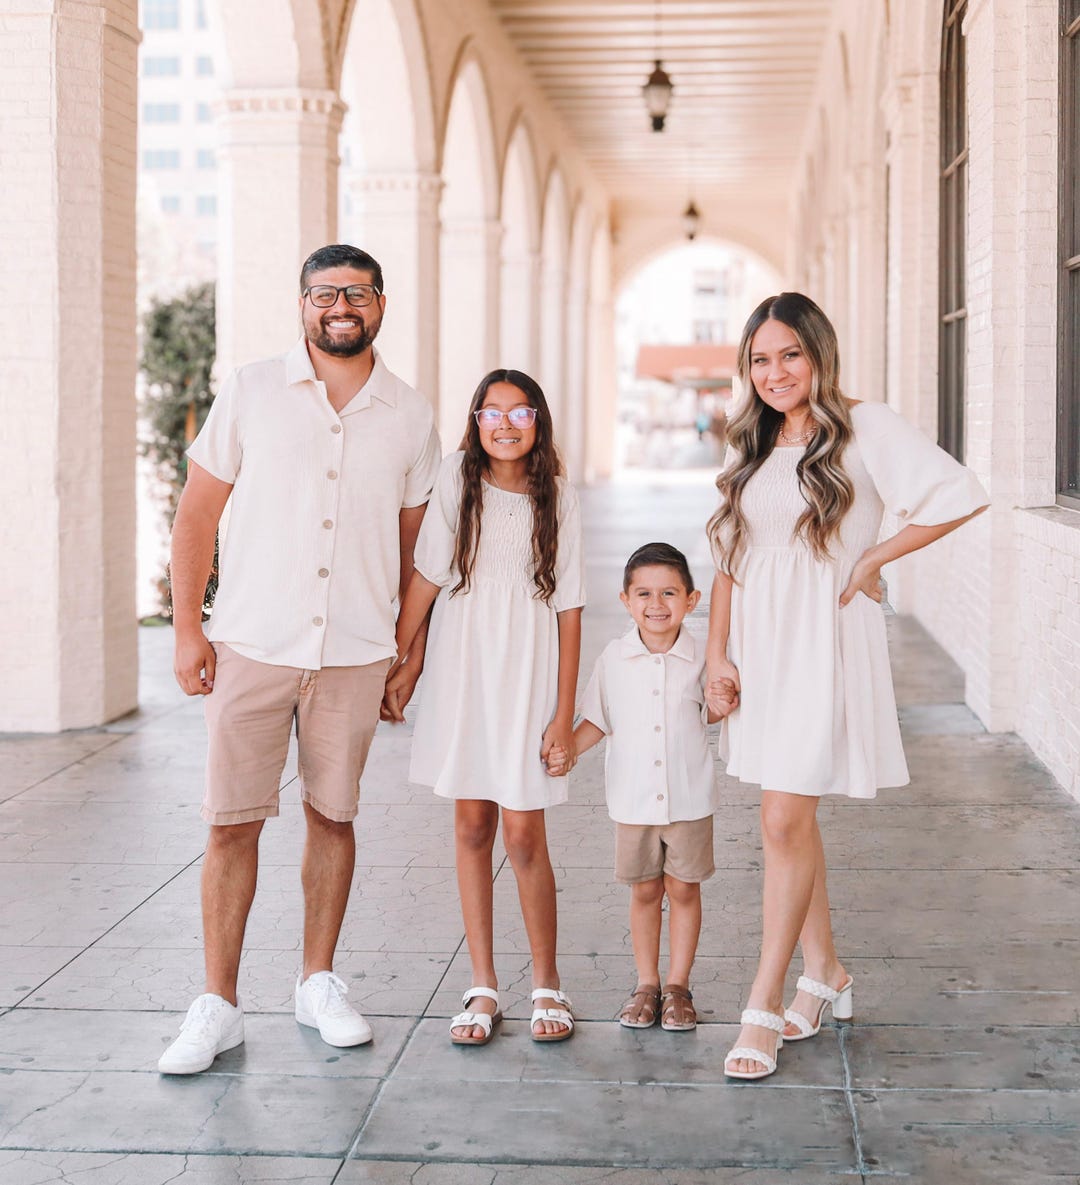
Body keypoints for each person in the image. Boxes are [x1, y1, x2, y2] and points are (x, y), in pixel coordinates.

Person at [158, 245, 441, 1075]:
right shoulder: (250, 390)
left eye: (355, 293)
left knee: (335, 816)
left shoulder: (410, 413)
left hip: (355, 650)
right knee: (231, 822)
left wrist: (409, 652)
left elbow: (415, 545)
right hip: (251, 640)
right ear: (303, 304)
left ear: (381, 304)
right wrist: (187, 629)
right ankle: (217, 1003)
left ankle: (317, 981)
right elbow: (196, 515)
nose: (339, 306)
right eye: (324, 294)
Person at [706, 292, 989, 1081]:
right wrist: (716, 654)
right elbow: (730, 555)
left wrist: (872, 559)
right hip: (761, 646)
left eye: (789, 354)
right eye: (760, 359)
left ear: (819, 354)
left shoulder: (867, 424)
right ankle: (825, 970)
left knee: (782, 812)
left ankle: (763, 1001)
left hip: (824, 639)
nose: (774, 372)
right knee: (790, 811)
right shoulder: (751, 442)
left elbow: (959, 493)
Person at [387, 369, 584, 1046]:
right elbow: (430, 574)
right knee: (472, 824)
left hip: (527, 672)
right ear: (475, 422)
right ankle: (483, 982)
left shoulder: (557, 494)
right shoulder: (455, 479)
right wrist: (404, 656)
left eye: (519, 411)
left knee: (525, 832)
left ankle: (547, 982)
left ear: (539, 420)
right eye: (490, 412)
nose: (504, 424)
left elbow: (570, 608)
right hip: (464, 667)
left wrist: (564, 713)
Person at [549, 543, 734, 1031]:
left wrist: (723, 697)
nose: (657, 604)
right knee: (646, 891)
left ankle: (678, 985)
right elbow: (596, 720)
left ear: (692, 601)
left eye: (669, 593)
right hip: (633, 801)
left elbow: (711, 712)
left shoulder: (700, 658)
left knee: (685, 889)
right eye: (645, 593)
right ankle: (646, 984)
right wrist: (567, 750)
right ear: (626, 600)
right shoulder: (615, 658)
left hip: (689, 799)